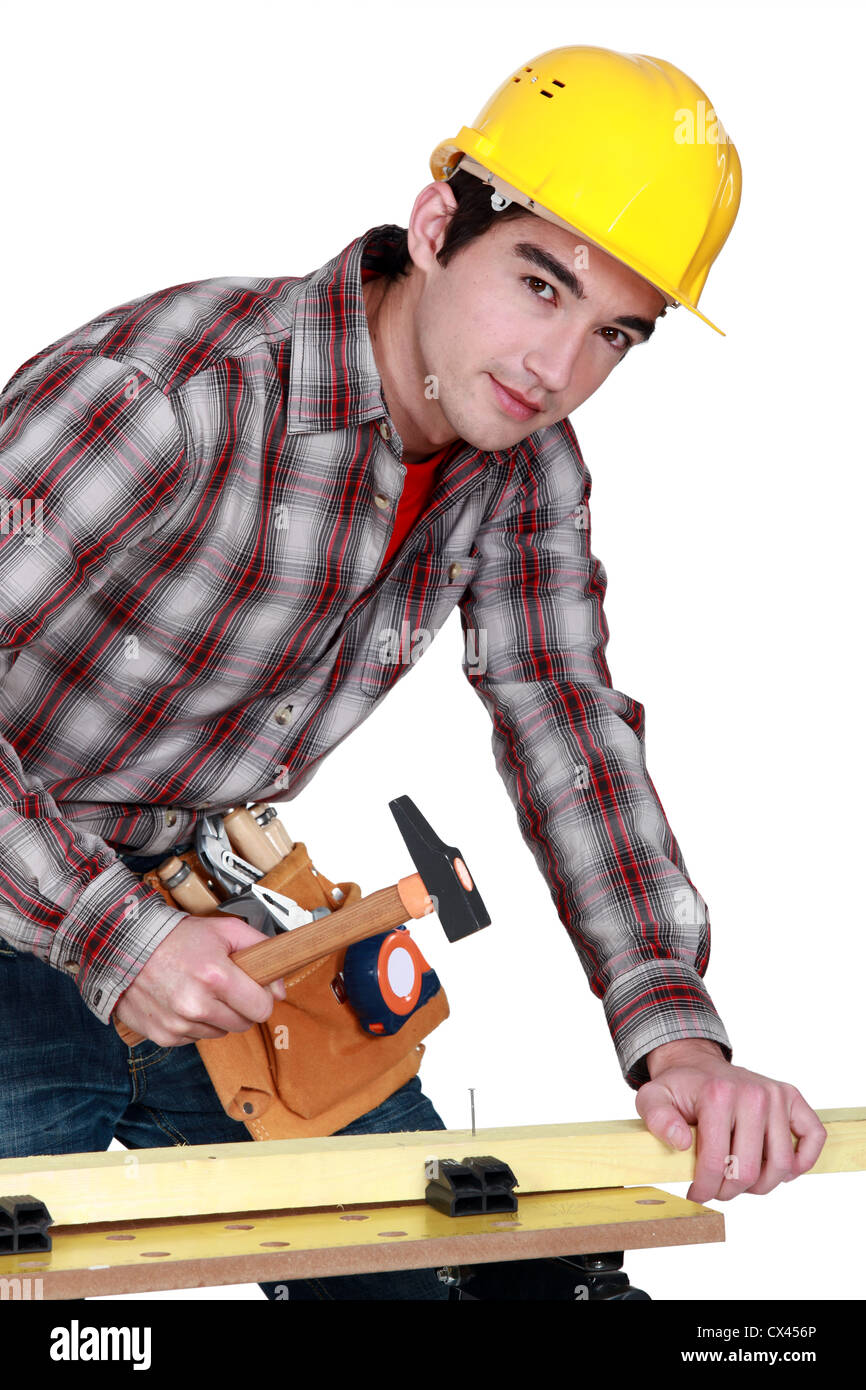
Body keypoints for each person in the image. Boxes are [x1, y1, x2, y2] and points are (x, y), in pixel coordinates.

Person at [0, 45, 826, 1301]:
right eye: (537, 285)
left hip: (210, 934)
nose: (557, 369)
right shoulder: (175, 394)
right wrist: (114, 934)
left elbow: (565, 724)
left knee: (473, 1281)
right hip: (29, 909)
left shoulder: (523, 468)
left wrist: (674, 1037)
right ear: (438, 224)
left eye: (611, 331)